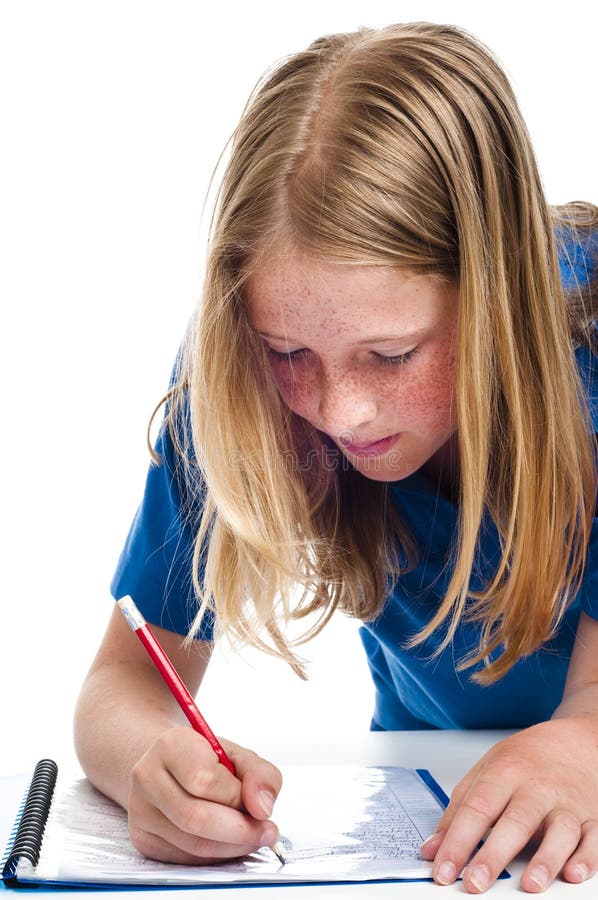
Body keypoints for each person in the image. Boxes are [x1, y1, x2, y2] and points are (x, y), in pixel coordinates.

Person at [74, 21, 598, 894]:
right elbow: (120, 683)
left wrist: (583, 739)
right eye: (289, 352)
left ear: (497, 293)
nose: (339, 412)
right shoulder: (240, 380)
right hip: (430, 815)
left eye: (391, 357)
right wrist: (150, 760)